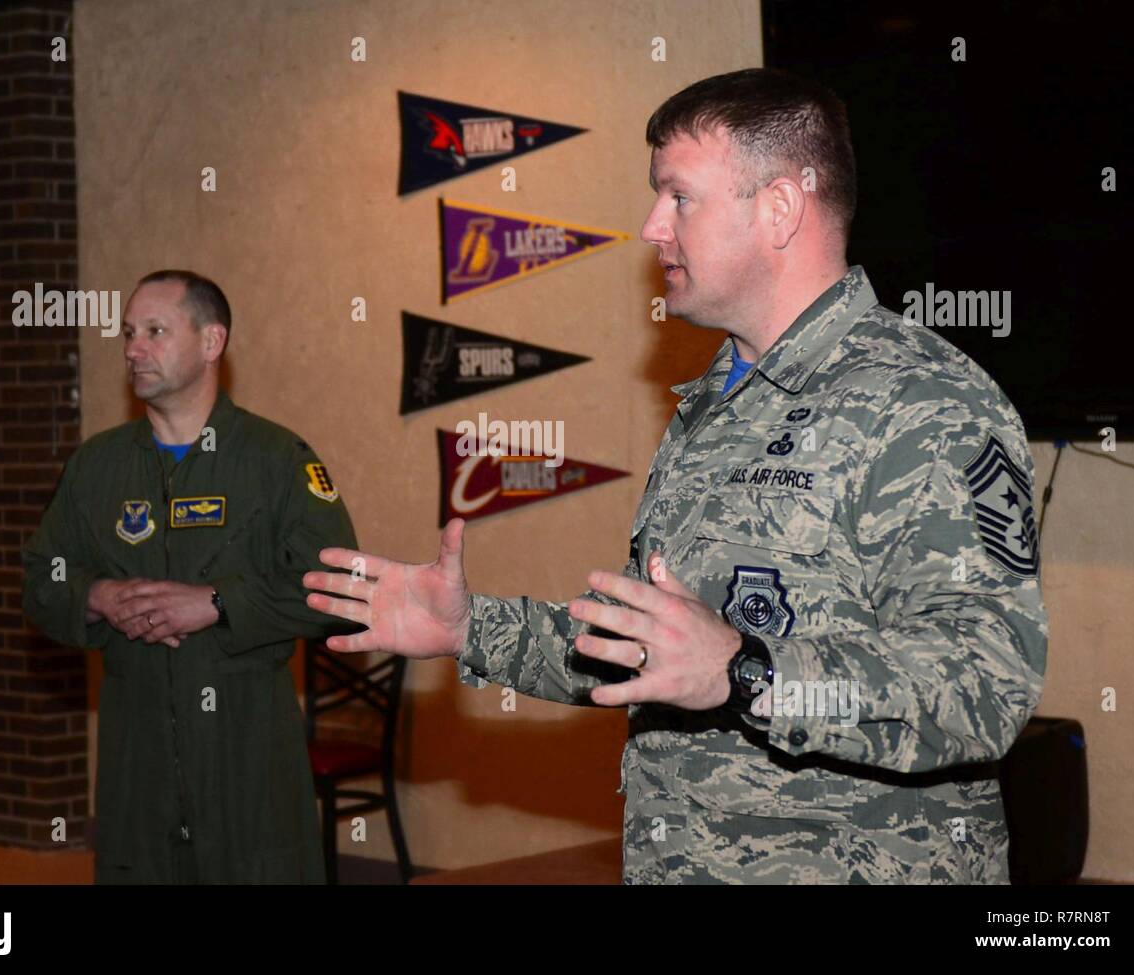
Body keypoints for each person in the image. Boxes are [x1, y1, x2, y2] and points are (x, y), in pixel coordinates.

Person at [304, 69, 1047, 884]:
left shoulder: (926, 400)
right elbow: (648, 650)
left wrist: (747, 671)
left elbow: (985, 686)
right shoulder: (715, 402)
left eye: (679, 196)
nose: (652, 226)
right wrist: (467, 628)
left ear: (780, 209)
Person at [23, 269, 356, 883]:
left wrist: (218, 602)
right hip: (136, 758)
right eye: (128, 333)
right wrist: (97, 594)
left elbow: (341, 592)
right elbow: (42, 579)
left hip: (247, 753)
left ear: (211, 342)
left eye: (154, 331)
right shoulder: (97, 467)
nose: (133, 349)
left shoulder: (276, 460)